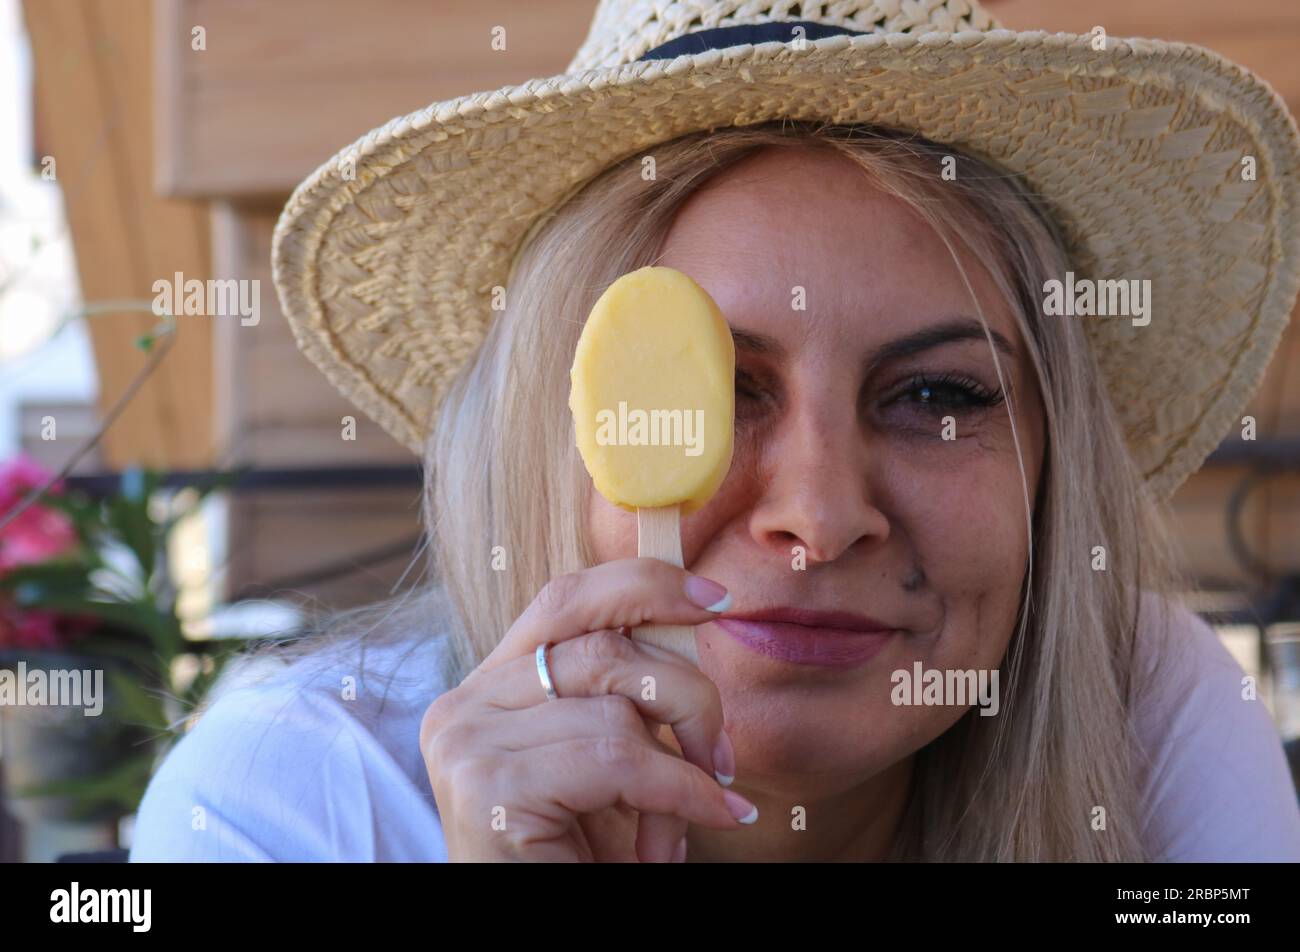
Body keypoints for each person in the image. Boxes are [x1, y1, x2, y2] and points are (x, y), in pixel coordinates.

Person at [130, 0, 1300, 862]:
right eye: (720, 388)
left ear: (1052, 463)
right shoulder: (291, 795)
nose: (822, 513)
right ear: (551, 432)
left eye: (939, 395)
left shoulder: (1153, 710)